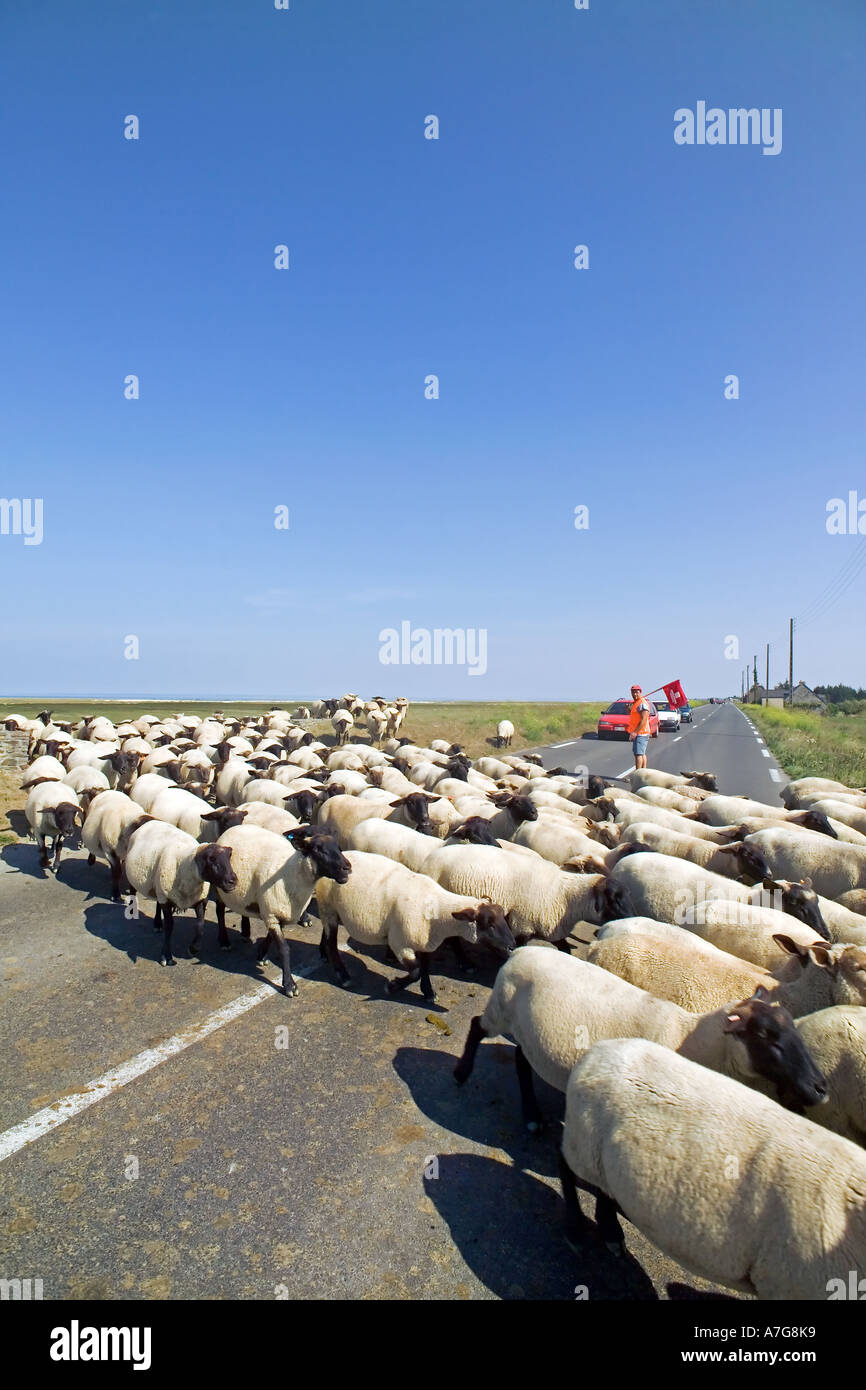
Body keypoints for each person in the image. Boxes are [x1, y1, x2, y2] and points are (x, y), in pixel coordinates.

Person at [628, 684, 651, 770]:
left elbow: (644, 719)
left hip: (641, 733)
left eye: (637, 692)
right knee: (641, 753)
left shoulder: (642, 703)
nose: (635, 694)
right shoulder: (637, 703)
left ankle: (638, 774)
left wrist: (635, 732)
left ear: (640, 692)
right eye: (633, 692)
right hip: (640, 732)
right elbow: (636, 716)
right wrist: (629, 709)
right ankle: (643, 771)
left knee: (638, 754)